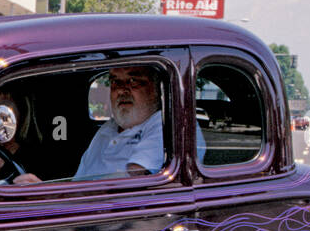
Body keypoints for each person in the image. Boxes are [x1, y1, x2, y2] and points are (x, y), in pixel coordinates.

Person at [12, 65, 205, 184]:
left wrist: (51, 196)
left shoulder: (166, 125)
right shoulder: (108, 129)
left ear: (156, 89)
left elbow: (128, 183)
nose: (122, 90)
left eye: (133, 80)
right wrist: (42, 189)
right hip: (90, 216)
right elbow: (80, 183)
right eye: (115, 82)